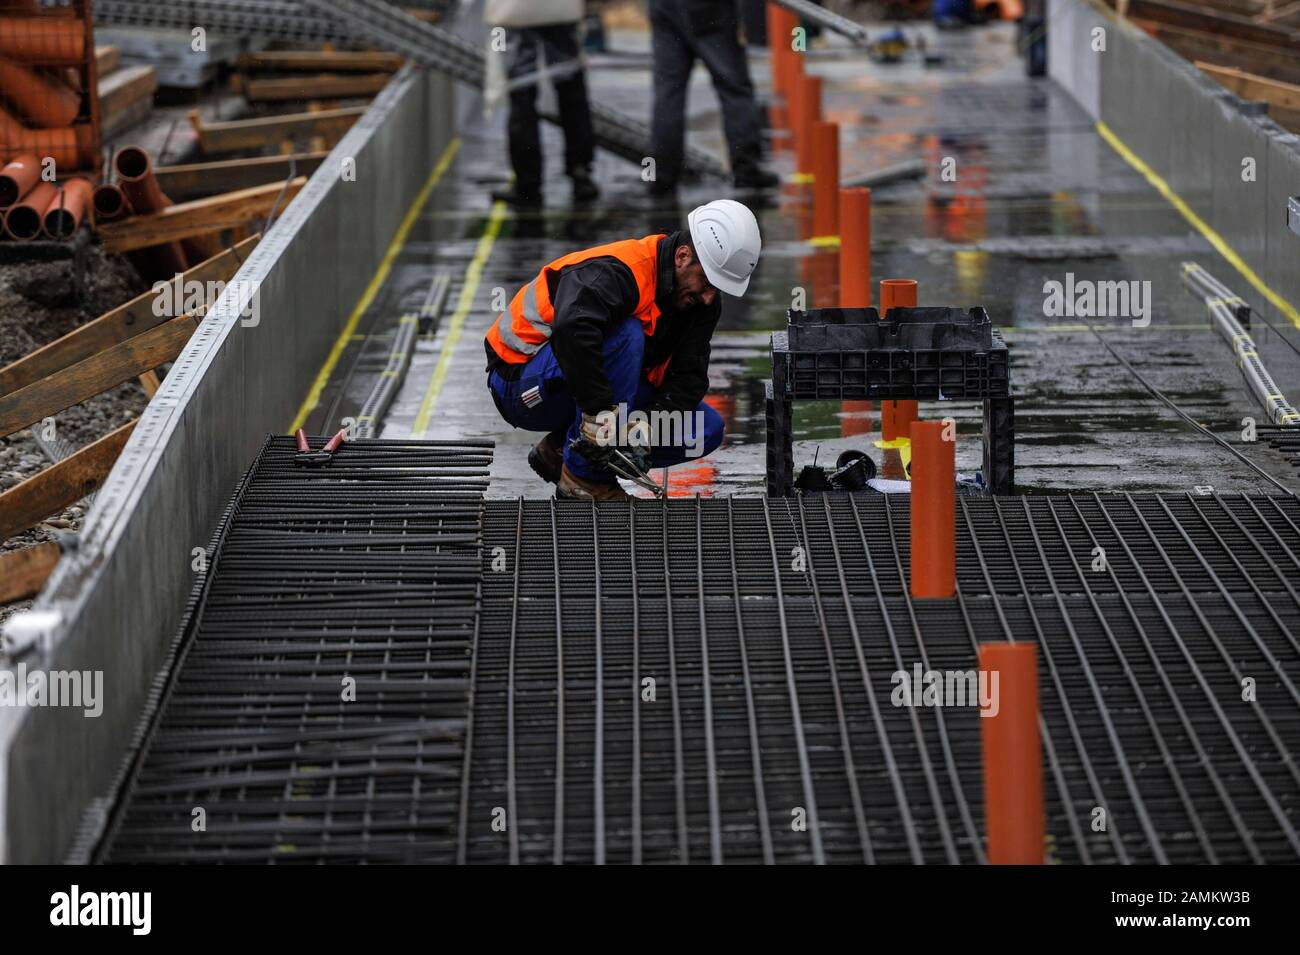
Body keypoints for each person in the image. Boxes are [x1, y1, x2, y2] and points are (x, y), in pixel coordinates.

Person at [484, 199, 762, 500]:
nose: (709, 297)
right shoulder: (623, 271)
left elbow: (688, 379)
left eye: (717, 289)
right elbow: (573, 331)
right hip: (520, 381)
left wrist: (645, 428)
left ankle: (563, 450)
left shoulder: (700, 302)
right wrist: (599, 415)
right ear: (682, 257)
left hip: (576, 387)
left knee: (703, 429)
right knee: (626, 334)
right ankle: (584, 478)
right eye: (707, 283)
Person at [647, 0, 780, 196]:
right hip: (707, 9)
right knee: (734, 88)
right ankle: (746, 171)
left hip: (664, 6)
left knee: (669, 93)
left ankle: (662, 177)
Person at [486, 0, 599, 206]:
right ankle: (580, 173)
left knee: (522, 97)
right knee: (571, 89)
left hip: (514, 11)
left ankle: (527, 184)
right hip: (560, 9)